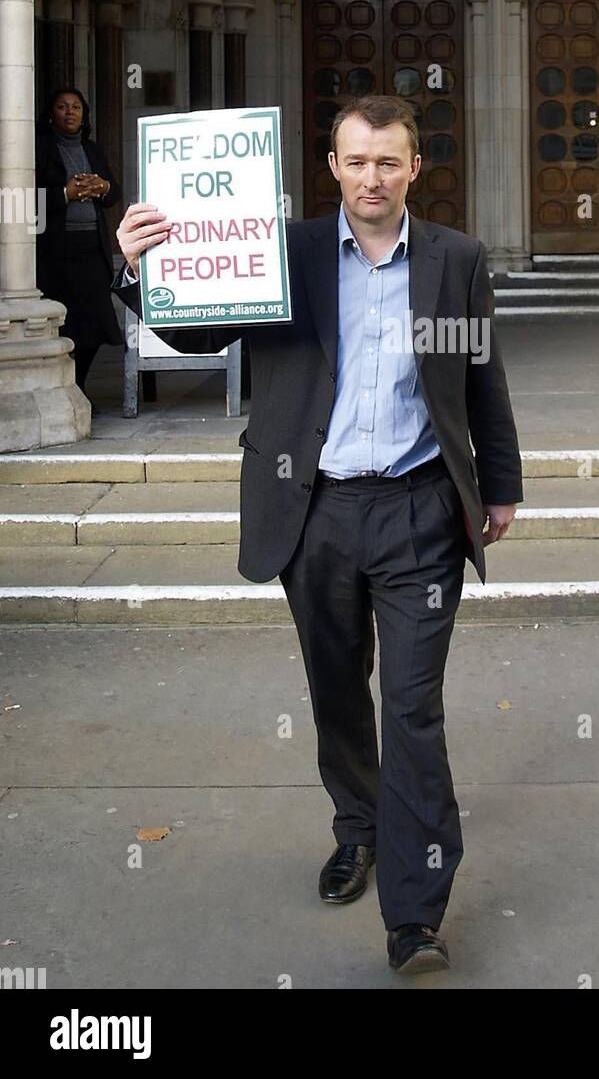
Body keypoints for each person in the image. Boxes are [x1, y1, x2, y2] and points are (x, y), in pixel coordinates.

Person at [112, 94, 523, 975]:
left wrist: (502, 485)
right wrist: (139, 268)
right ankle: (359, 828)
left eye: (389, 161)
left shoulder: (455, 259)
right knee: (339, 691)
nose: (371, 177)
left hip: (419, 511)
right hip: (315, 507)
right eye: (355, 160)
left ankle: (415, 914)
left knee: (413, 708)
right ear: (330, 166)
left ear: (416, 167)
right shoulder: (286, 253)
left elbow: (479, 376)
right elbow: (195, 332)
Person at [35, 88, 123, 398]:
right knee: (66, 324)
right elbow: (19, 202)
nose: (70, 112)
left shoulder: (93, 150)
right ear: (52, 113)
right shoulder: (39, 148)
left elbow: (114, 194)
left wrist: (103, 186)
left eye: (75, 107)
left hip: (92, 248)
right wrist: (64, 194)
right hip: (57, 250)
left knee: (98, 323)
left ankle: (79, 385)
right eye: (62, 107)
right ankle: (67, 389)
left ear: (84, 114)